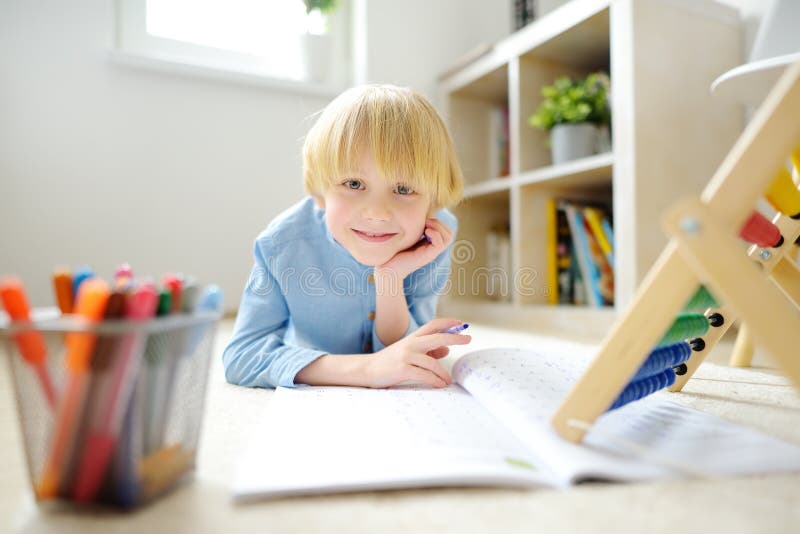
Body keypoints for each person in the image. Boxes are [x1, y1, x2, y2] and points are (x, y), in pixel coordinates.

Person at [222, 84, 471, 389]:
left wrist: (390, 279)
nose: (377, 213)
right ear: (320, 192)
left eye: (404, 189)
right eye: (353, 183)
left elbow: (406, 354)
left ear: (432, 202)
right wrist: (365, 370)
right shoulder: (281, 245)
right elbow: (241, 356)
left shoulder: (434, 234)